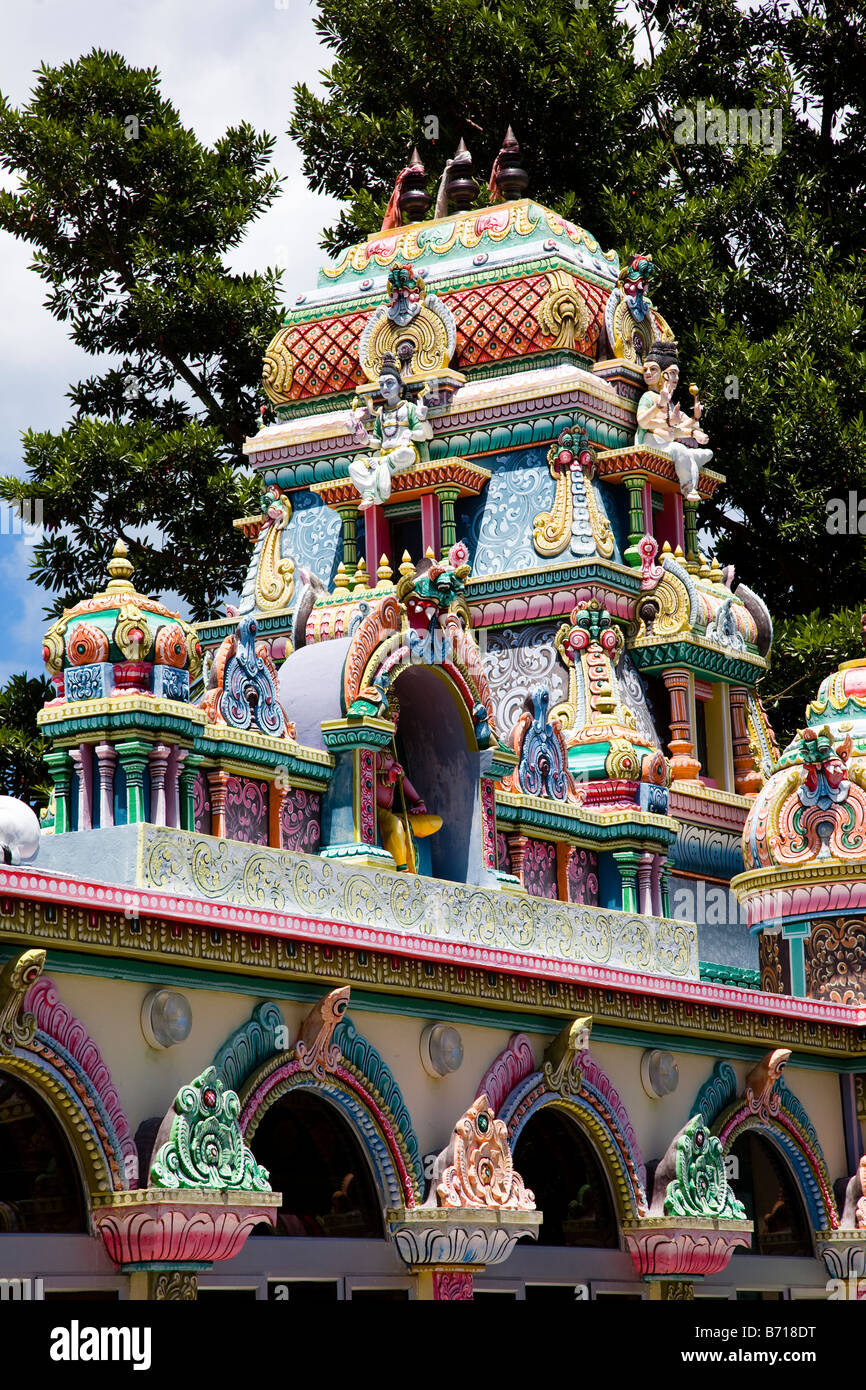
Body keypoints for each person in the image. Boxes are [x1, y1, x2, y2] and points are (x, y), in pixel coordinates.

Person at [347, 355, 433, 509]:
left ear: (400, 386)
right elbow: (379, 442)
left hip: (402, 455)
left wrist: (415, 429)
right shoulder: (381, 413)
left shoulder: (408, 408)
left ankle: (377, 478)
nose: (385, 388)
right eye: (381, 385)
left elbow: (426, 436)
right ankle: (370, 491)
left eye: (390, 383)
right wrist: (364, 438)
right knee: (354, 467)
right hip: (384, 456)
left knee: (405, 453)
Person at [635, 340, 712, 502]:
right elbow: (642, 422)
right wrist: (659, 406)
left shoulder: (669, 403)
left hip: (666, 443)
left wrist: (694, 422)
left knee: (705, 453)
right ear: (664, 375)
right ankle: (688, 487)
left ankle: (690, 463)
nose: (648, 373)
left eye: (652, 369)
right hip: (652, 442)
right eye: (672, 373)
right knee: (680, 450)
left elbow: (675, 430)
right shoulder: (649, 397)